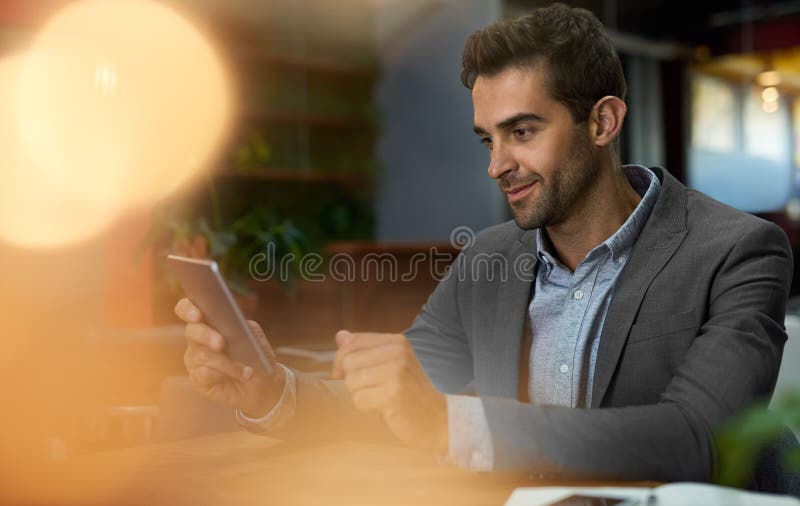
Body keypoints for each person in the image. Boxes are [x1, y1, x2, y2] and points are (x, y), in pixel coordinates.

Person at [174, 3, 793, 481]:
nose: (497, 165)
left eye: (522, 131)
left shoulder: (738, 251)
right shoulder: (488, 261)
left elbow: (701, 440)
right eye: (487, 140)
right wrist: (271, 389)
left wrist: (452, 423)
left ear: (602, 122)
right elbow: (397, 401)